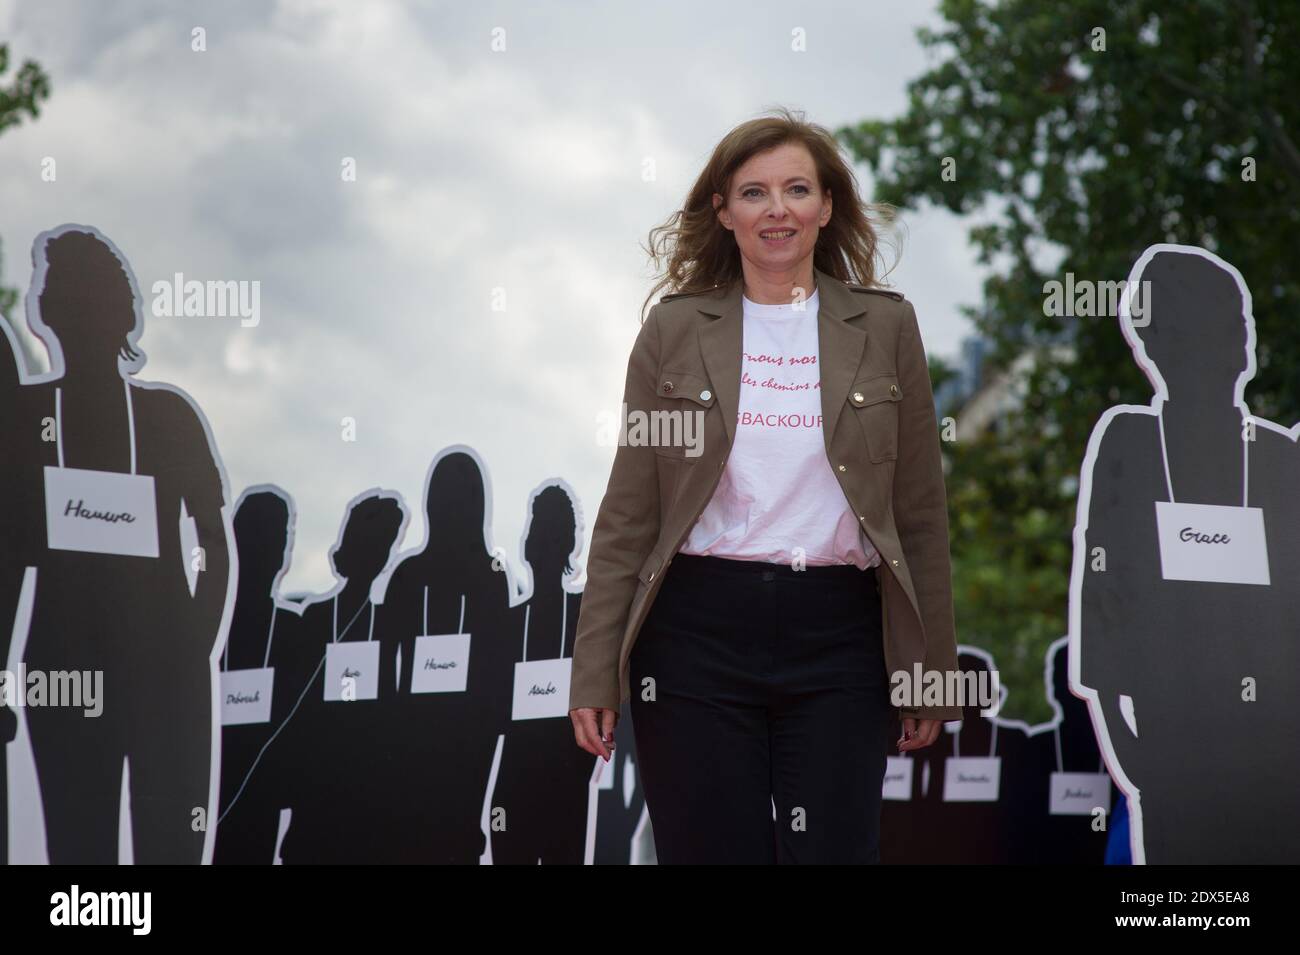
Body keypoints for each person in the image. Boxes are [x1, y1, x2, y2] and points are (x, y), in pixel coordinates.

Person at [567, 108, 962, 864]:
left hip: (841, 638)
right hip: (694, 640)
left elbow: (919, 517)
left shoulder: (888, 328)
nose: (776, 209)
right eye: (753, 192)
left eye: (796, 189)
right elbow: (628, 517)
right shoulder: (671, 331)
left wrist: (927, 673)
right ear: (722, 212)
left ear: (826, 207)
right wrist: (596, 671)